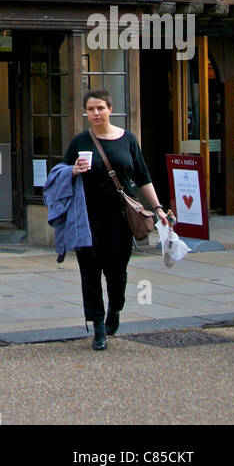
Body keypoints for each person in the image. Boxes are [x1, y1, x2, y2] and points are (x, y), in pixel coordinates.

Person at [64, 88, 168, 351]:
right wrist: (73, 171)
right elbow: (60, 174)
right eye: (91, 109)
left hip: (120, 218)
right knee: (89, 273)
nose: (96, 113)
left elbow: (143, 177)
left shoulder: (128, 140)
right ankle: (98, 326)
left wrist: (158, 208)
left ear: (110, 109)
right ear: (86, 113)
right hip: (87, 217)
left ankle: (115, 309)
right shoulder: (80, 142)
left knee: (117, 272)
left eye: (100, 108)